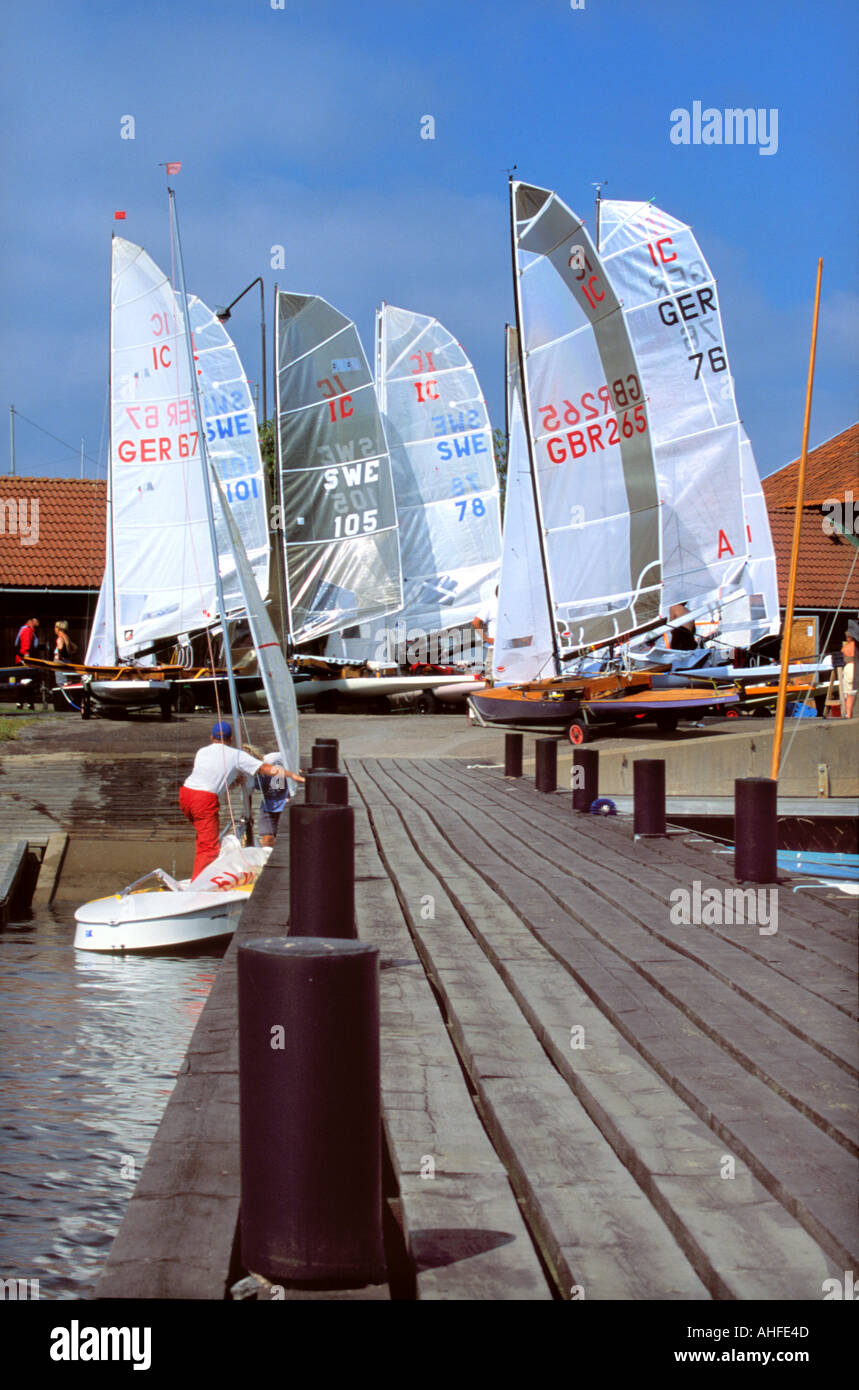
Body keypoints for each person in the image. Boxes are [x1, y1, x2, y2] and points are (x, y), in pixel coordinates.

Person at [179, 722, 303, 880]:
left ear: (211, 738)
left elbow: (215, 777)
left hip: (185, 795)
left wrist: (236, 781)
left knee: (203, 840)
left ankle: (201, 874)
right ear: (230, 739)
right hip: (204, 800)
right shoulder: (236, 755)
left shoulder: (202, 751)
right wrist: (292, 775)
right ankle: (199, 885)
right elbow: (266, 769)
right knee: (209, 848)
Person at [254, 748, 295, 847]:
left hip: (285, 806)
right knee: (267, 840)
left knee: (286, 840)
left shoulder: (272, 759)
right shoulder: (253, 775)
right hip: (267, 808)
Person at [14, 617, 40, 708]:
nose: (38, 622)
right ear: (30, 621)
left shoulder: (28, 630)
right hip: (24, 660)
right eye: (36, 620)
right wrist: (27, 660)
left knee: (25, 681)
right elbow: (25, 647)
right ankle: (25, 703)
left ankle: (24, 702)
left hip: (23, 659)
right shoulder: (27, 630)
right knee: (26, 681)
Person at [838, 618, 858, 719]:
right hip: (855, 666)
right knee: (853, 693)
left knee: (848, 693)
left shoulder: (845, 647)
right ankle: (850, 713)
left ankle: (848, 713)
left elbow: (842, 656)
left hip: (848, 667)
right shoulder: (856, 646)